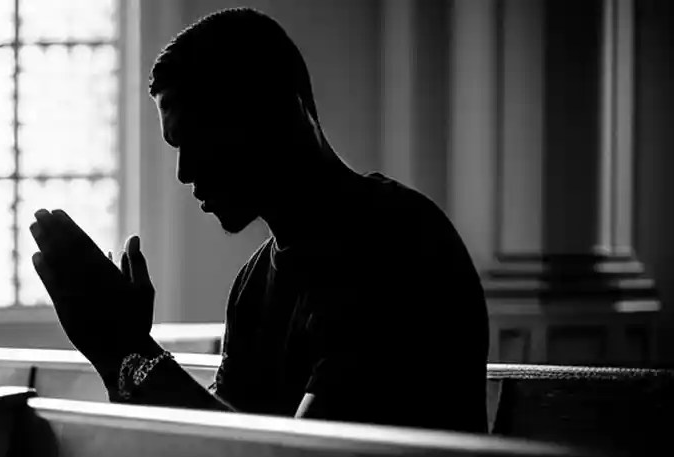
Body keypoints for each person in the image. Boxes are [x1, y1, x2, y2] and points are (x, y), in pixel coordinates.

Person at [29, 7, 489, 434]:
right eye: (176, 147)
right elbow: (222, 455)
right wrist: (116, 354)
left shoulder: (395, 243)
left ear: (277, 113)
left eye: (201, 138)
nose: (185, 172)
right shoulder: (252, 284)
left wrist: (128, 349)